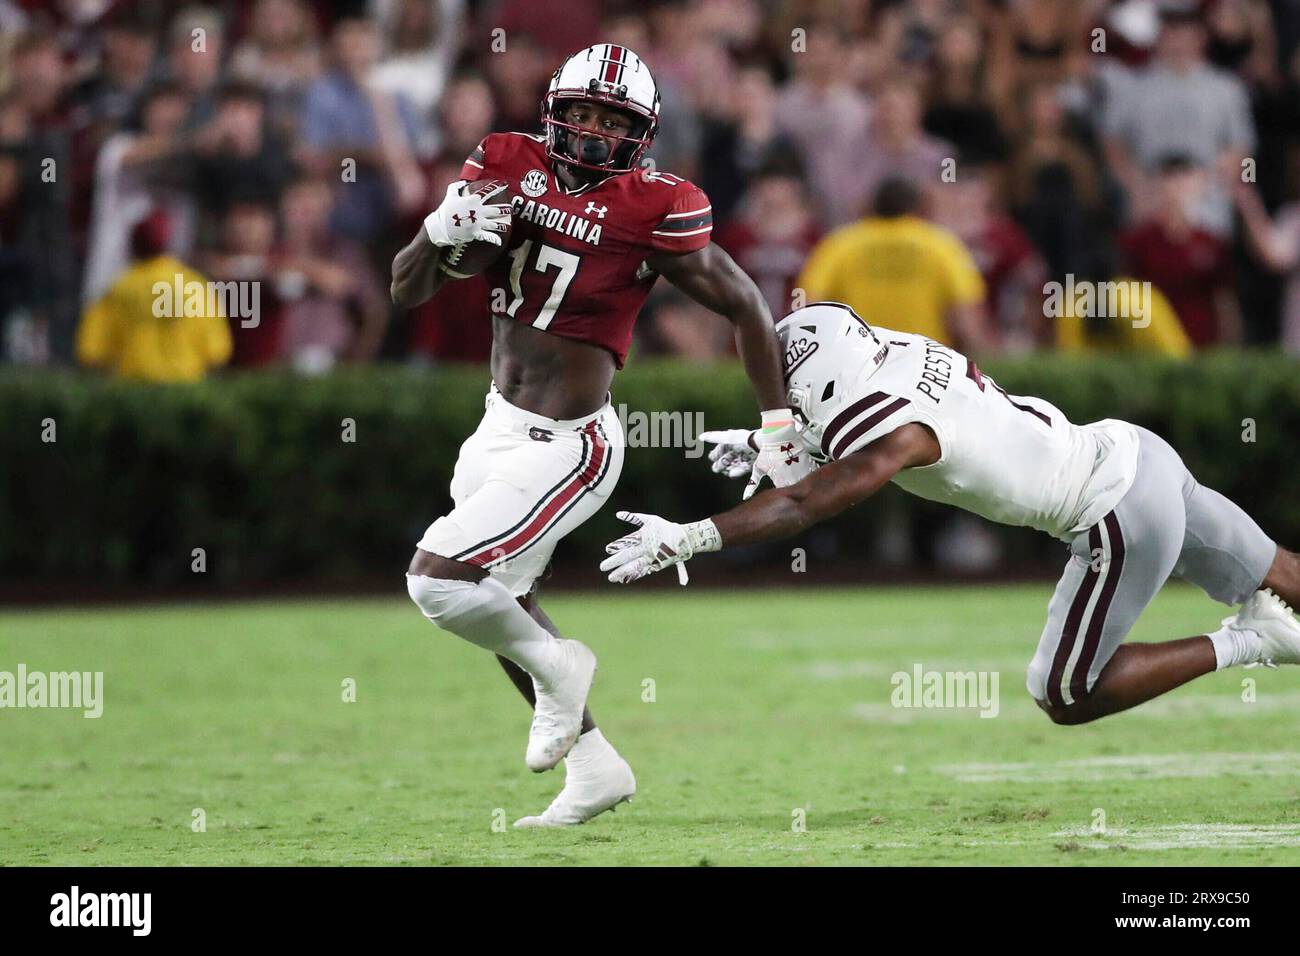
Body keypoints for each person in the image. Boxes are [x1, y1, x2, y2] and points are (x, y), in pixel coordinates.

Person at [390, 44, 806, 826]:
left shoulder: (656, 207)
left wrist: (778, 424)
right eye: (579, 112)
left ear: (639, 132)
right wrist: (437, 230)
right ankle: (594, 767)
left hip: (572, 445)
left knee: (437, 580)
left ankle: (560, 668)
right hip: (495, 425)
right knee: (500, 596)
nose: (589, 130)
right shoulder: (506, 163)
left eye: (610, 120)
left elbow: (747, 304)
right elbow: (406, 288)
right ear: (554, 108)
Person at [600, 302, 1300, 726]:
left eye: (790, 396)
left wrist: (690, 537)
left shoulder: (895, 430)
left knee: (1064, 692)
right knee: (1279, 569)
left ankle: (1249, 644)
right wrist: (770, 440)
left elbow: (809, 499)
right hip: (1135, 453)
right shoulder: (895, 352)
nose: (787, 409)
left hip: (1117, 516)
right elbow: (848, 441)